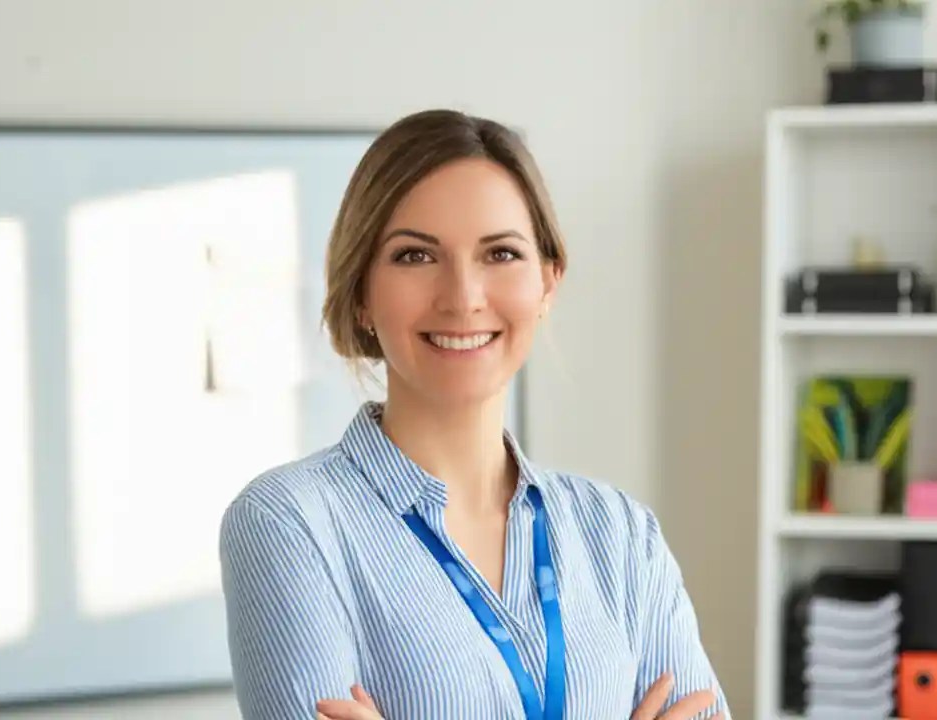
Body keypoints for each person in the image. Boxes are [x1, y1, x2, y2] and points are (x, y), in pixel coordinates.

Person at [218, 109, 729, 720]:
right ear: (360, 294)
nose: (462, 297)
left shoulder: (622, 536)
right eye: (414, 256)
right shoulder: (288, 525)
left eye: (501, 254)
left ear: (547, 284)